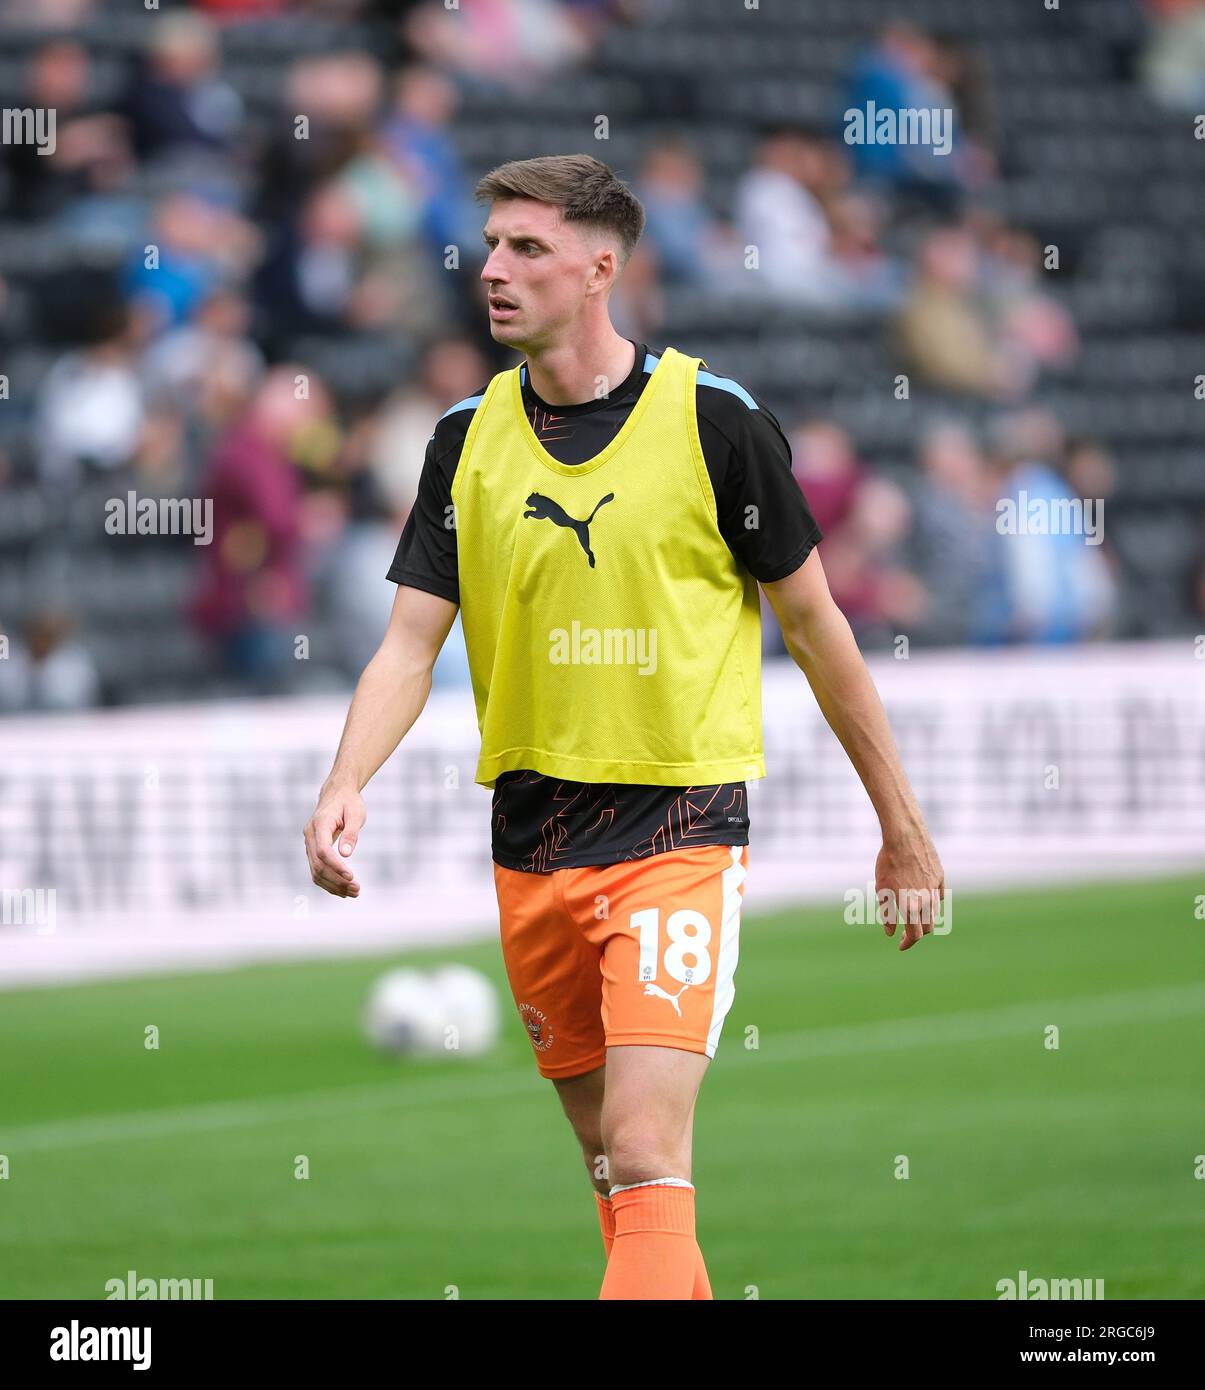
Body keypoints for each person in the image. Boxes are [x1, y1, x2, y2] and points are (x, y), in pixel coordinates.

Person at [302, 154, 944, 1301]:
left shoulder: (714, 422)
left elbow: (817, 626)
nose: (492, 269)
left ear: (601, 268)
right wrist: (347, 776)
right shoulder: (463, 438)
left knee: (647, 1152)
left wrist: (899, 824)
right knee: (617, 1178)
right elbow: (409, 644)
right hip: (530, 837)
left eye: (526, 248)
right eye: (491, 244)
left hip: (677, 826)